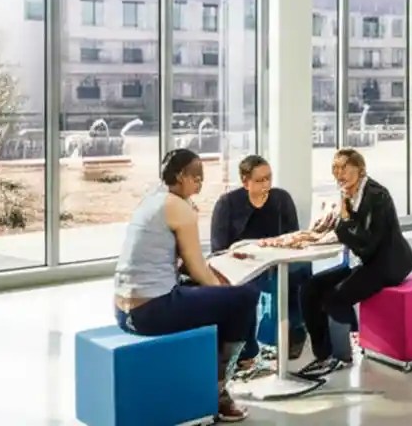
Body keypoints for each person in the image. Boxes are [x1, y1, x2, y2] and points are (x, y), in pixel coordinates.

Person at [114, 149, 257, 422]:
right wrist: (223, 289)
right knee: (244, 297)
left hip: (124, 312)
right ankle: (224, 385)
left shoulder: (152, 200)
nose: (200, 184)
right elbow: (197, 268)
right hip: (150, 311)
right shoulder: (179, 207)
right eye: (196, 178)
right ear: (180, 176)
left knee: (219, 301)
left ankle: (233, 365)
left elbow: (173, 262)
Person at [299, 148, 412, 377]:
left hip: (385, 264)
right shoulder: (348, 193)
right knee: (309, 289)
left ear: (360, 168)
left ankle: (347, 350)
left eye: (344, 167)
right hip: (361, 261)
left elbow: (368, 243)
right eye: (335, 167)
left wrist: (343, 221)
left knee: (334, 297)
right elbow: (354, 235)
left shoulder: (376, 195)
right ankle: (323, 355)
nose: (339, 173)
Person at [209, 155, 311, 368]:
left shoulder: (281, 199)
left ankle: (294, 333)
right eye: (259, 180)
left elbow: (293, 236)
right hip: (243, 266)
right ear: (245, 182)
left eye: (268, 178)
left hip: (277, 262)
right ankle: (247, 351)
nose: (266, 184)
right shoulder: (227, 204)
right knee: (246, 291)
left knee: (300, 271)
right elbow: (218, 249)